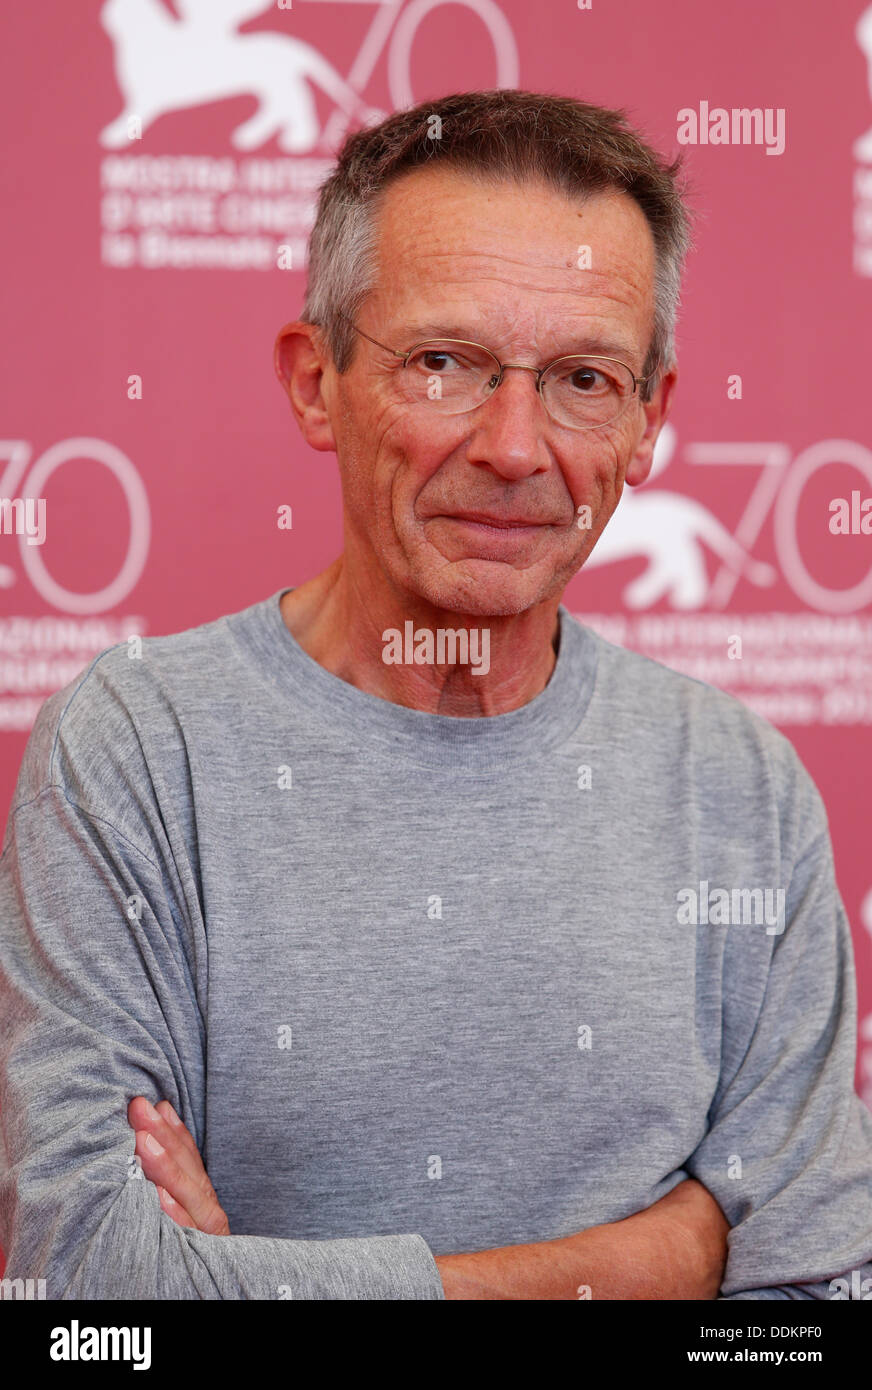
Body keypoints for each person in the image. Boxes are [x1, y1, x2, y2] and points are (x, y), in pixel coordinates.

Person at [2, 89, 871, 1301]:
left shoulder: (739, 789)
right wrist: (655, 1259)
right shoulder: (139, 753)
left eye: (580, 377)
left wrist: (261, 1281)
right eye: (443, 363)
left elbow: (812, 1311)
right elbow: (98, 1307)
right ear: (317, 383)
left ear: (647, 422)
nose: (515, 448)